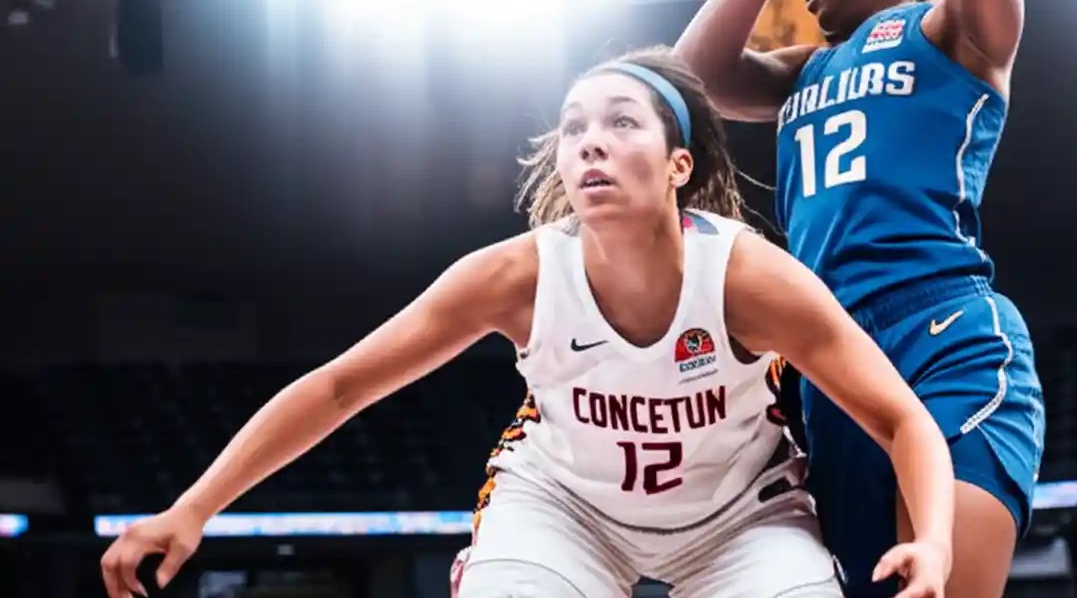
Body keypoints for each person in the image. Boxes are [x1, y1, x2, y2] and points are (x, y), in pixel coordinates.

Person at [99, 48, 955, 598]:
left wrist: (937, 544)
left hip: (741, 520)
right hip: (565, 510)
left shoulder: (747, 277)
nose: (590, 142)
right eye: (574, 127)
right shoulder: (516, 275)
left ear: (678, 166)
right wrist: (193, 508)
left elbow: (899, 417)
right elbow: (338, 387)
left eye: (622, 124)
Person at [674, 0, 1062, 595]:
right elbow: (687, 81)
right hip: (830, 364)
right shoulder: (804, 72)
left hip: (939, 330)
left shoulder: (959, 29)